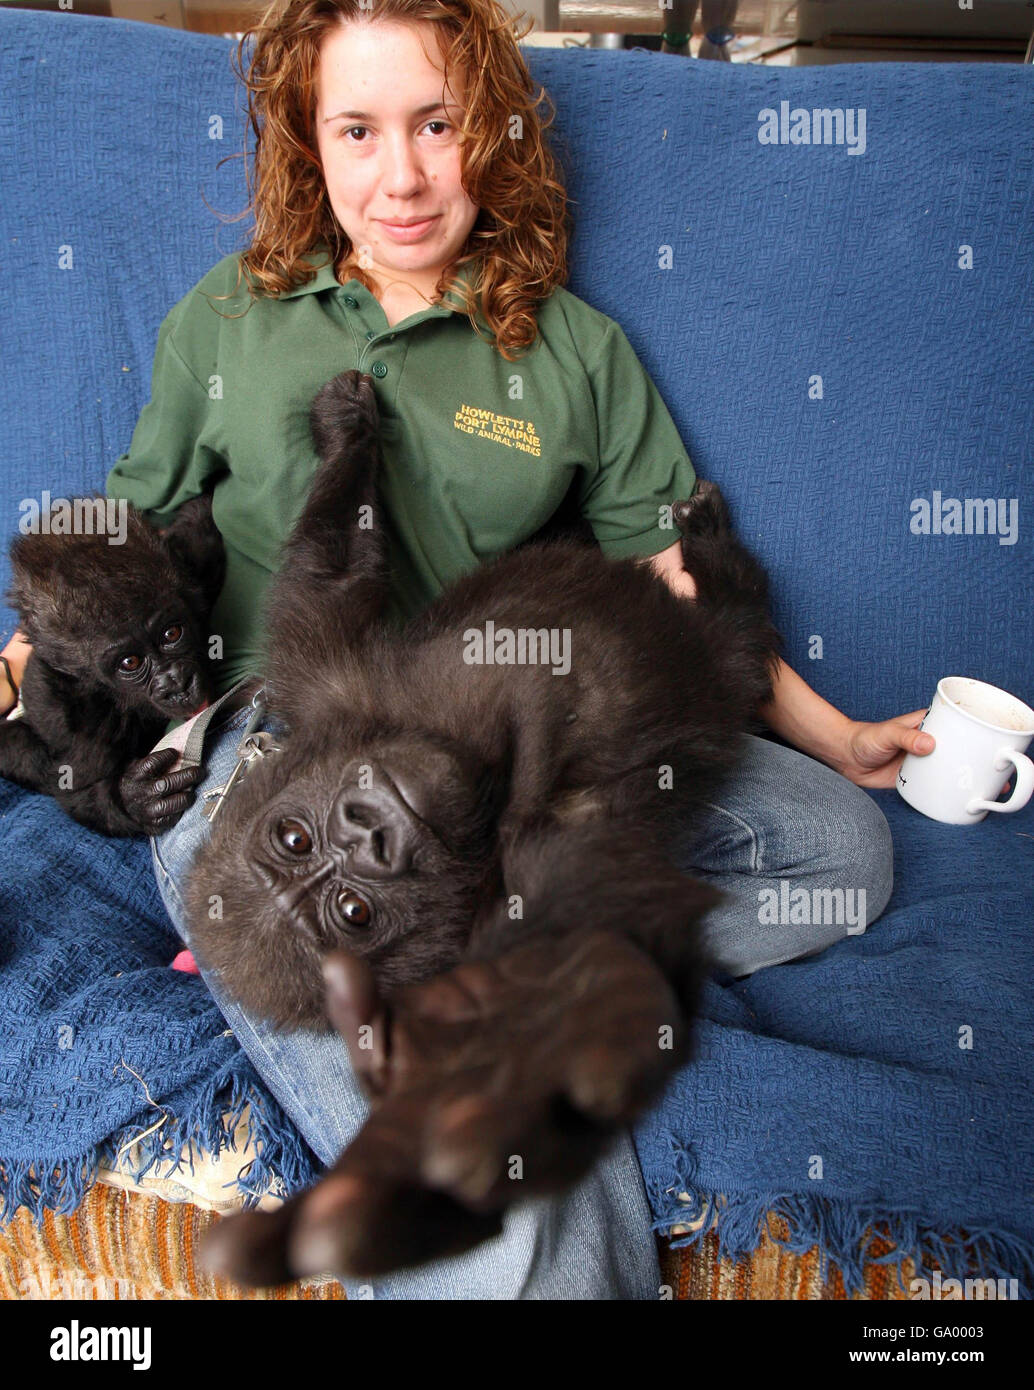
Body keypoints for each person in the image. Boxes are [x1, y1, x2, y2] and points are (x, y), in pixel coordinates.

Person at [0, 0, 933, 1298]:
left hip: (496, 757)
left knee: (841, 850)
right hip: (275, 746)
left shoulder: (572, 352)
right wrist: (23, 643)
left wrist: (838, 736)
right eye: (359, 129)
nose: (402, 173)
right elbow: (126, 511)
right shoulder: (231, 318)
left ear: (487, 129)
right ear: (306, 142)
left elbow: (676, 575)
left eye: (436, 123)